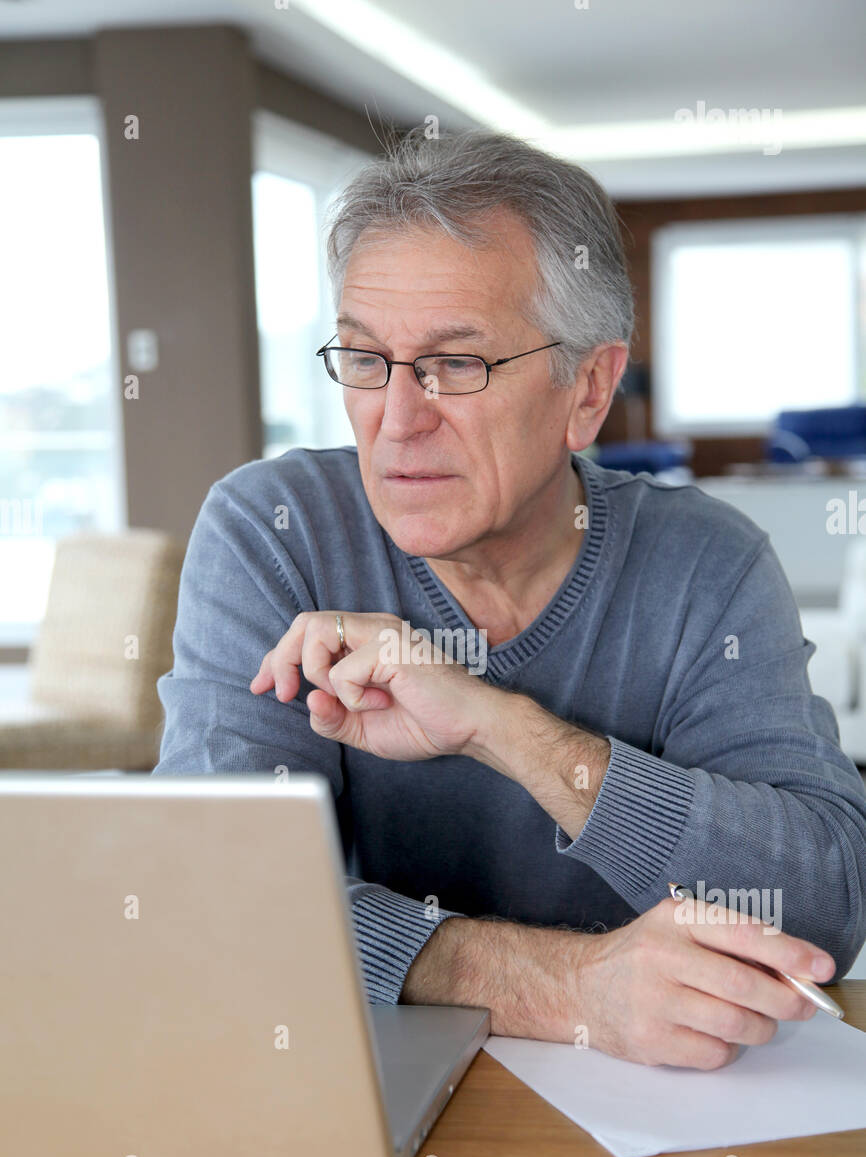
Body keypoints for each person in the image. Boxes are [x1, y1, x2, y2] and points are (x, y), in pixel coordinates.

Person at [154, 126, 866, 1069]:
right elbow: (210, 898)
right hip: (350, 1088)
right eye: (366, 360)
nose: (397, 423)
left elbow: (818, 906)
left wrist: (500, 727)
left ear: (589, 388)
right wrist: (565, 987)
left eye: (457, 364)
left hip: (659, 1111)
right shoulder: (273, 530)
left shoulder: (706, 562)